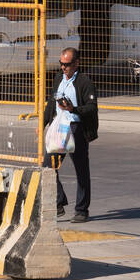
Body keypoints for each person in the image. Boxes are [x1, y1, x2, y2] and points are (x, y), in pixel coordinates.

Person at [43, 47, 99, 221]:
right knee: (48, 166)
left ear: (76, 63)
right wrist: (43, 123)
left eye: (66, 65)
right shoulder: (59, 78)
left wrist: (72, 108)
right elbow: (52, 102)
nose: (63, 68)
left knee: (81, 170)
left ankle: (82, 210)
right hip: (59, 127)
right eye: (61, 64)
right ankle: (59, 202)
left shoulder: (84, 81)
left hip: (77, 127)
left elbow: (92, 107)